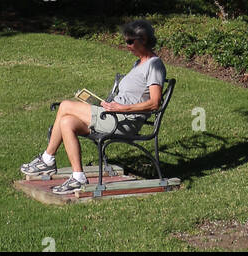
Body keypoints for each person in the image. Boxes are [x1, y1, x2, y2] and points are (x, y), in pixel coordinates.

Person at [20, 19, 166, 194]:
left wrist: (120, 108)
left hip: (123, 121)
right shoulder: (139, 63)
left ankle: (47, 160)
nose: (126, 45)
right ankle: (77, 176)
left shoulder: (154, 65)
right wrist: (109, 104)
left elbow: (154, 103)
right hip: (113, 115)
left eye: (130, 41)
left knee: (66, 105)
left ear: (143, 40)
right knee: (66, 122)